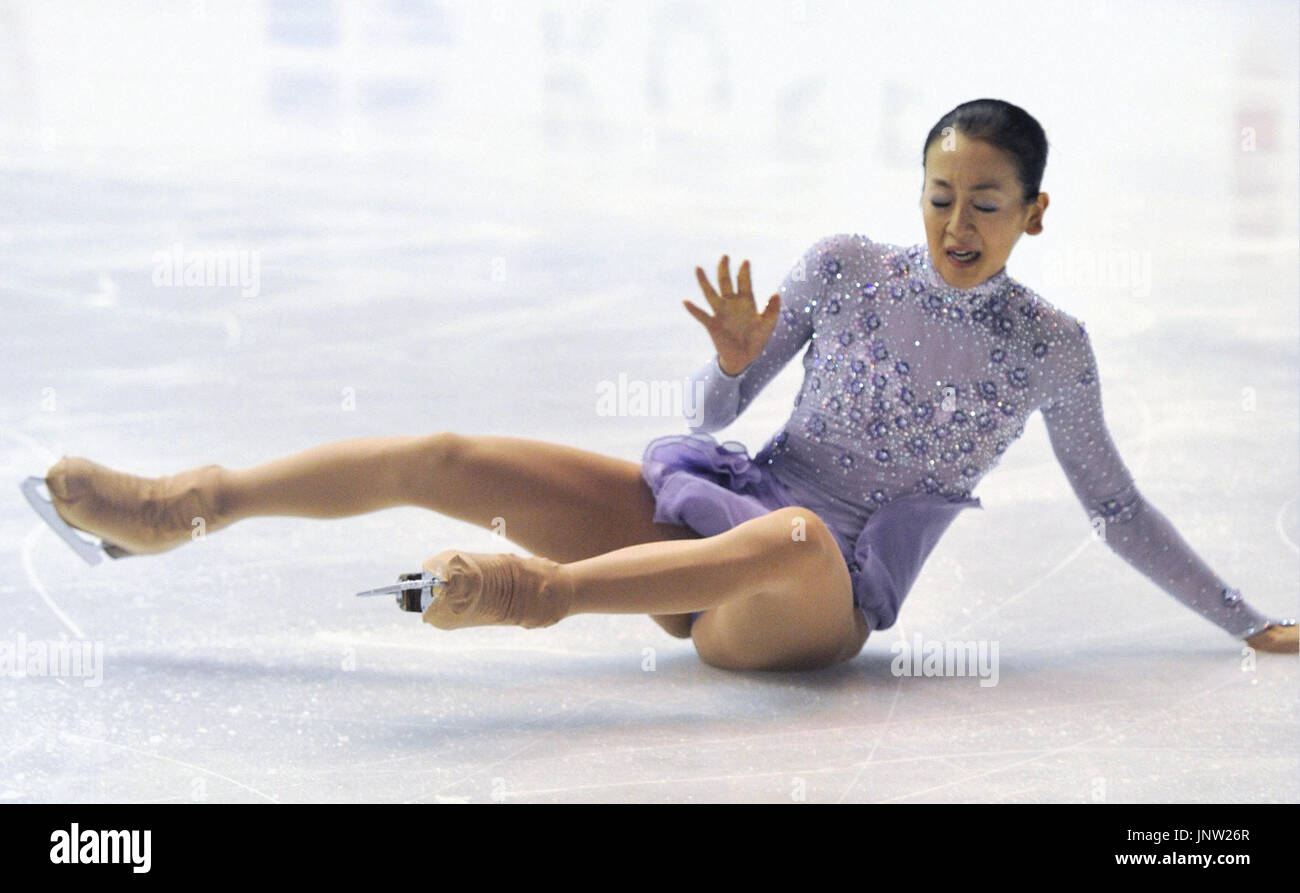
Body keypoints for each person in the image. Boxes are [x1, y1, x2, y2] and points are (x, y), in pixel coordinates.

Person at [25, 98, 1297, 671]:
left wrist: (1246, 620)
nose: (956, 223)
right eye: (939, 195)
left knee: (797, 531)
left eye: (986, 206)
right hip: (709, 511)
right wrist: (732, 367)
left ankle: (531, 598)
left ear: (1034, 213)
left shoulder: (1048, 348)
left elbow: (1115, 510)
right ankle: (181, 506)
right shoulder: (848, 270)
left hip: (806, 597)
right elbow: (707, 423)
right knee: (451, 454)